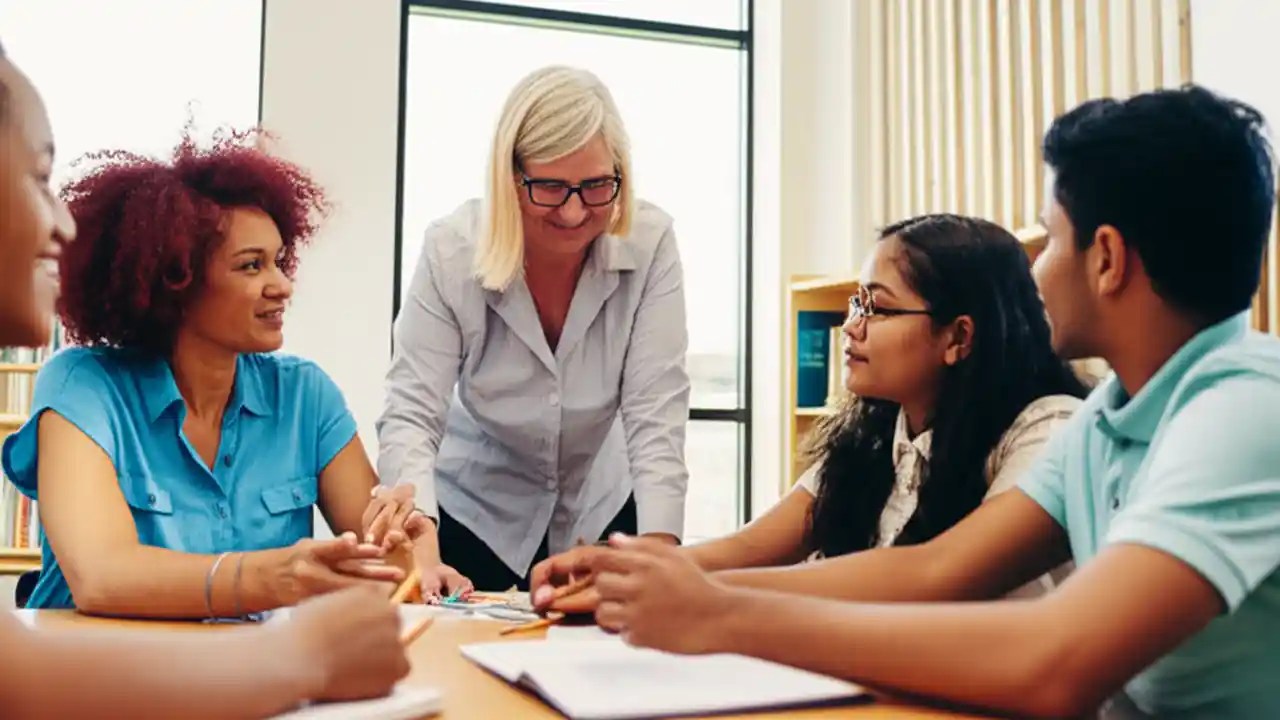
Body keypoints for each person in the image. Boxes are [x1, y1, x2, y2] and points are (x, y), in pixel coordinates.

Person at [575, 85, 1280, 719]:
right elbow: (935, 569)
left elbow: (1055, 661)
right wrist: (676, 588)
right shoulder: (1108, 418)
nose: (1037, 268)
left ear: (1106, 258)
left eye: (1053, 238)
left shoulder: (1244, 409)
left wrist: (724, 617)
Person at [0, 40, 408, 717]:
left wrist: (406, 538)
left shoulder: (305, 393)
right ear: (175, 281)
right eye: (251, 266)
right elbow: (100, 577)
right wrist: (280, 589)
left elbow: (387, 559)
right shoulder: (81, 385)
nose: (281, 286)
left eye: (281, 262)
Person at [533, 214, 1088, 612]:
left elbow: (938, 576)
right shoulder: (873, 436)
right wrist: (623, 569)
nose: (851, 326)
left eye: (878, 307)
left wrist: (705, 598)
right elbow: (750, 548)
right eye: (855, 303)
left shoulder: (1046, 429)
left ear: (958, 337)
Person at [374, 64, 691, 595]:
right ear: (509, 178)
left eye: (595, 187)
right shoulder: (452, 252)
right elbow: (411, 412)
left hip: (601, 510)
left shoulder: (650, 243)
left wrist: (660, 561)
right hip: (476, 516)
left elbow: (656, 413)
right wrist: (421, 554)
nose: (572, 213)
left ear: (621, 175)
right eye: (549, 187)